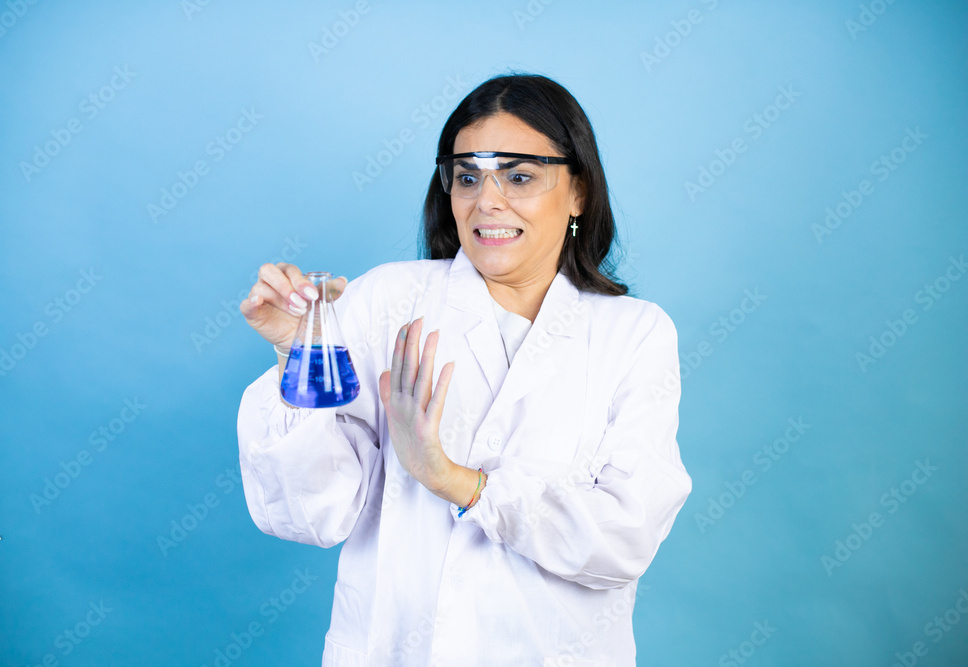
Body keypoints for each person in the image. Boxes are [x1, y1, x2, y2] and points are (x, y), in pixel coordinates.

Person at [237, 73, 692, 666]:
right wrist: (299, 356)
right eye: (467, 176)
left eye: (520, 176)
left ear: (578, 191)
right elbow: (311, 513)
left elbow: (623, 539)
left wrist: (457, 482)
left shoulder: (632, 334)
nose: (488, 200)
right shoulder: (386, 302)